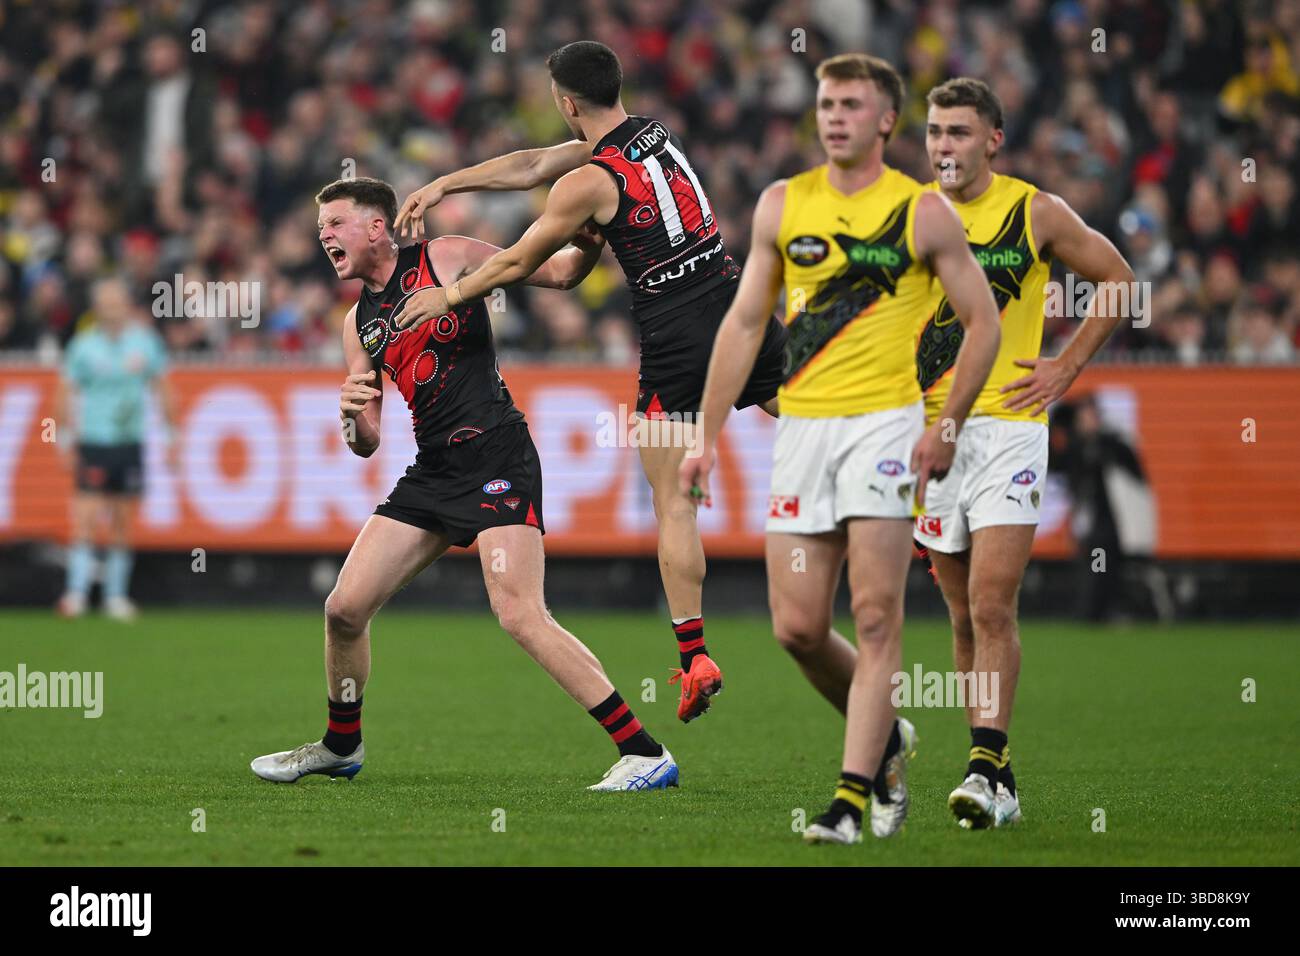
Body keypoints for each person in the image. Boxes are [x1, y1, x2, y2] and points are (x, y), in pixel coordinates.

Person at [394, 40, 789, 724]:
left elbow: (519, 258)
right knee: (821, 417)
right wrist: (447, 183)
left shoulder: (589, 182)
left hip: (678, 333)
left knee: (672, 502)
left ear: (565, 102)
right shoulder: (655, 135)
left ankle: (694, 654)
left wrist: (448, 297)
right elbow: (533, 164)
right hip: (736, 300)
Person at [251, 177, 677, 791]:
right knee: (344, 610)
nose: (324, 237)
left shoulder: (445, 256)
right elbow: (367, 440)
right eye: (321, 229)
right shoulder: (357, 324)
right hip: (435, 468)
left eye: (335, 224)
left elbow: (557, 273)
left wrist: (589, 243)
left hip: (497, 453)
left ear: (377, 228)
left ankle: (644, 750)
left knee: (519, 613)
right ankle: (341, 745)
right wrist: (349, 414)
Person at [680, 54, 1002, 845]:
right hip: (803, 432)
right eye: (826, 102)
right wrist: (707, 436)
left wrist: (946, 422)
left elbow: (984, 323)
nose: (834, 116)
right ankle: (889, 737)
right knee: (794, 627)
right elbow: (746, 324)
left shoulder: (923, 213)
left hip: (884, 430)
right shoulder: (783, 204)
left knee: (875, 614)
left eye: (851, 104)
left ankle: (852, 800)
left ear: (887, 120)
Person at [916, 77, 1137, 827]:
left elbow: (1117, 280)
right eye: (936, 132)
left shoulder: (1032, 210)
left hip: (1010, 426)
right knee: (958, 614)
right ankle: (999, 775)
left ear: (992, 139)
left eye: (959, 132)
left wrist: (1066, 367)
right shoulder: (911, 214)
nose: (945, 145)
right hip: (934, 433)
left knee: (990, 599)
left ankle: (981, 767)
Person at [57, 276, 176, 621]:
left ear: (126, 304)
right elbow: (65, 392)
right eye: (106, 302)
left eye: (117, 301)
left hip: (130, 442)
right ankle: (77, 593)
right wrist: (63, 438)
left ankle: (115, 596)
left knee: (123, 521)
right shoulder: (83, 346)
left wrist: (172, 436)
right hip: (94, 441)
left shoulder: (145, 343)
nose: (112, 308)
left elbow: (162, 389)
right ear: (97, 307)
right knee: (87, 518)